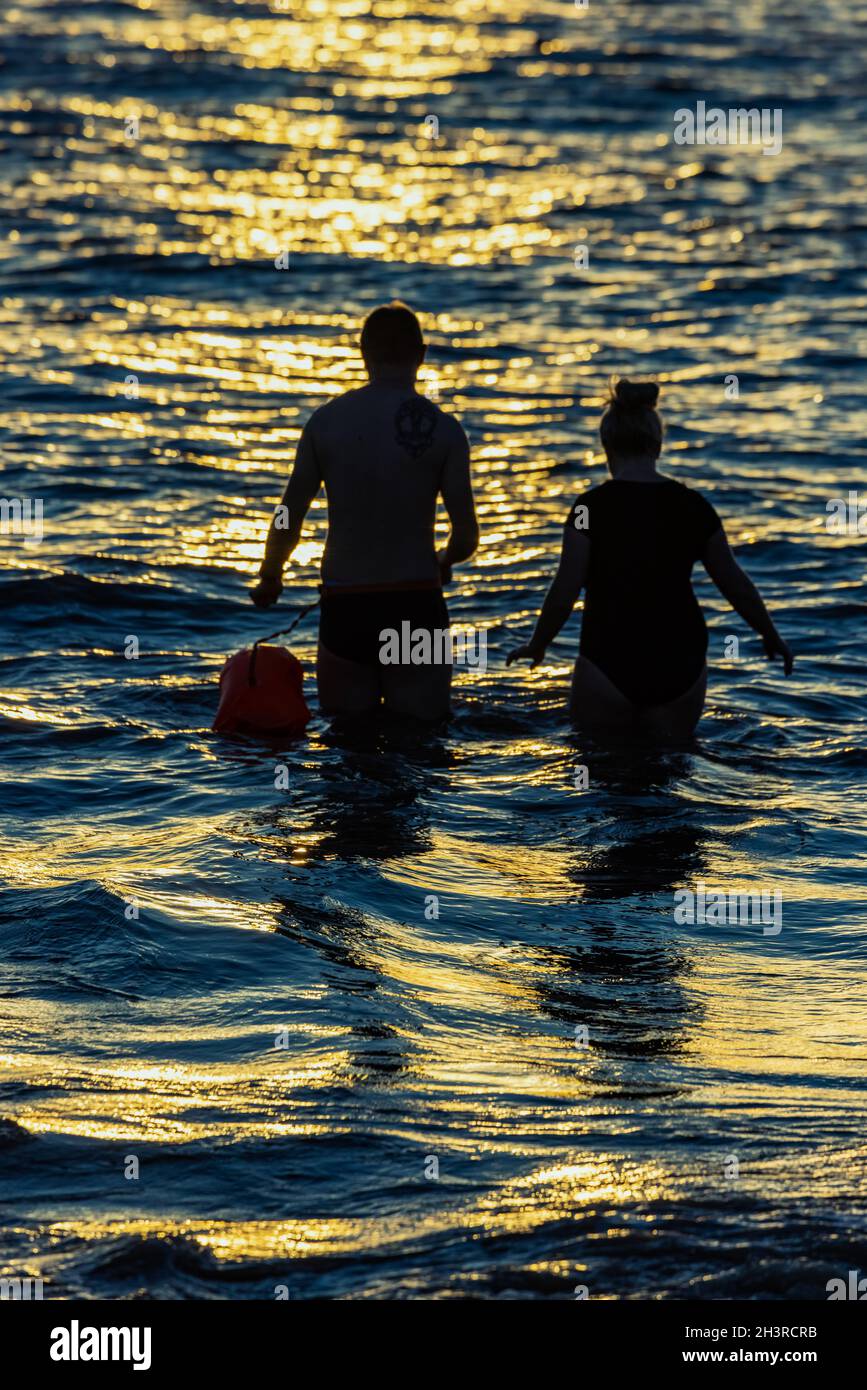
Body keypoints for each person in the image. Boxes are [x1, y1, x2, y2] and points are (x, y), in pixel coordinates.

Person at [507, 379, 793, 737]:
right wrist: (769, 634)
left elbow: (565, 589)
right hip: (680, 663)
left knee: (601, 771)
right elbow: (734, 583)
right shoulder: (694, 506)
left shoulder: (589, 508)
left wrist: (539, 644)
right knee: (672, 771)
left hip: (609, 657)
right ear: (657, 446)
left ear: (606, 445)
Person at [250, 302, 479, 719]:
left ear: (362, 352)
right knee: (421, 746)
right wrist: (445, 559)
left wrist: (271, 574)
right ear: (422, 354)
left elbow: (289, 514)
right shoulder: (445, 430)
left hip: (347, 607)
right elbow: (466, 538)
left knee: (347, 750)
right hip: (416, 604)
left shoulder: (325, 423)